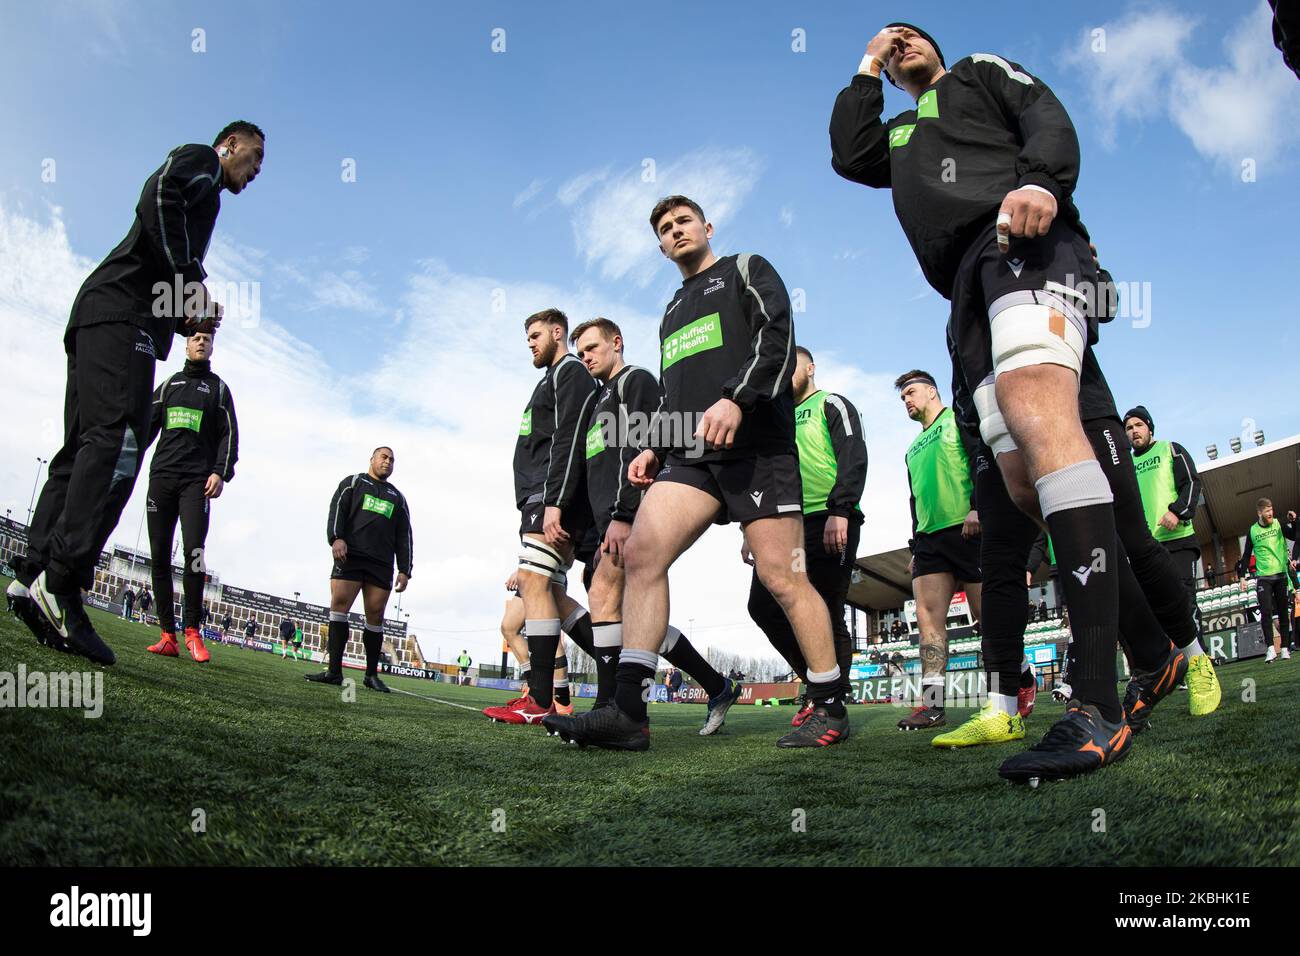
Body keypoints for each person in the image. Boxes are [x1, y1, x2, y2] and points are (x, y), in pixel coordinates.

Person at [830, 25, 1181, 781]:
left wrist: (1043, 183)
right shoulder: (895, 135)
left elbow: (1047, 114)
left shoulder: (977, 74)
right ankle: (1154, 657)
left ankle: (1096, 706)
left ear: (936, 46)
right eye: (888, 55)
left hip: (1019, 238)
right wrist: (864, 65)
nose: (899, 53)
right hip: (963, 288)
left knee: (1037, 405)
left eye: (908, 40)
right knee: (1023, 482)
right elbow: (847, 152)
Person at [545, 196, 847, 750]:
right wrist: (655, 449)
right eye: (665, 228)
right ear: (661, 247)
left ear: (706, 228)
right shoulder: (670, 310)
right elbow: (675, 392)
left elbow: (776, 338)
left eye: (684, 221)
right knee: (641, 554)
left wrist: (738, 399)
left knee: (783, 578)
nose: (676, 230)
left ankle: (829, 705)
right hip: (691, 458)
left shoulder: (745, 269)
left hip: (757, 446)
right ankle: (629, 712)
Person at [7, 121, 264, 665]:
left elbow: (161, 260)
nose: (256, 169)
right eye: (255, 156)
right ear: (230, 146)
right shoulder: (200, 164)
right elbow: (160, 194)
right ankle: (63, 582)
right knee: (118, 445)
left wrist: (191, 314)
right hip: (121, 319)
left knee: (80, 447)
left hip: (105, 312)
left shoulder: (206, 203)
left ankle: (29, 575)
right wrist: (192, 281)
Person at [564, 316, 742, 734]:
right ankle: (717, 686)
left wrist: (626, 513)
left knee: (605, 596)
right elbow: (599, 469)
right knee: (637, 624)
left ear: (617, 343)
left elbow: (648, 454)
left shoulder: (637, 382)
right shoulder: (599, 400)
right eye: (581, 352)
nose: (585, 356)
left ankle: (612, 709)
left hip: (630, 516)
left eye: (592, 347)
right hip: (605, 523)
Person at [483, 309, 600, 726]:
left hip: (550, 498)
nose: (530, 343)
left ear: (557, 332)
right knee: (551, 596)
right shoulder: (547, 380)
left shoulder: (569, 371)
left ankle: (540, 700)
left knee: (533, 582)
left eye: (535, 335)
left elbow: (570, 438)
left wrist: (556, 499)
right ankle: (612, 668)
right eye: (526, 337)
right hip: (538, 497)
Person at [744, 346, 867, 728]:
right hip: (782, 526)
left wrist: (840, 510)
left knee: (828, 608)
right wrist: (750, 526)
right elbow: (760, 472)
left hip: (827, 520)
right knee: (763, 606)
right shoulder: (776, 417)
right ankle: (818, 685)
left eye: (791, 365)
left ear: (810, 368)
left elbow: (853, 456)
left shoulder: (832, 403)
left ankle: (831, 706)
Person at [142, 329, 239, 664]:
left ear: (212, 347)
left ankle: (193, 631)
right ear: (186, 344)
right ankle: (167, 635)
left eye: (207, 339)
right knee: (158, 557)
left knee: (194, 553)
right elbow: (145, 425)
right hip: (162, 479)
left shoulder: (218, 389)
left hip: (196, 483)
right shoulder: (169, 385)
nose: (201, 342)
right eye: (196, 337)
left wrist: (219, 472)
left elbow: (230, 435)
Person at [892, 370, 981, 731]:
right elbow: (915, 499)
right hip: (929, 542)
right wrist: (916, 542)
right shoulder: (911, 449)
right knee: (929, 625)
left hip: (968, 528)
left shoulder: (958, 420)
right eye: (902, 398)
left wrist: (978, 507)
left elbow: (980, 463)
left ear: (931, 391)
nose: (907, 401)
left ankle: (1016, 681)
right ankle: (933, 706)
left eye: (911, 393)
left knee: (986, 620)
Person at [306, 447, 413, 693]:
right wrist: (336, 538)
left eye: (392, 460)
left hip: (381, 563)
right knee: (339, 607)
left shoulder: (397, 497)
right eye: (384, 457)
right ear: (372, 460)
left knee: (375, 616)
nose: (388, 462)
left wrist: (404, 569)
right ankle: (334, 671)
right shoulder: (353, 483)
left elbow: (404, 535)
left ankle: (371, 675)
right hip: (351, 556)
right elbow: (337, 511)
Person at [1124, 406, 1202, 594]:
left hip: (1178, 541)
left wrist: (1176, 512)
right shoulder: (1126, 465)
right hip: (1147, 548)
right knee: (1156, 608)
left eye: (1139, 425)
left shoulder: (1170, 449)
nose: (1134, 430)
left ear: (1149, 428)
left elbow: (1192, 483)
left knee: (1184, 601)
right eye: (1128, 428)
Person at [1237, 499, 1297, 662]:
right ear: (1259, 513)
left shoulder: (1278, 524)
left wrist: (1294, 522)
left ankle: (1285, 648)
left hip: (1281, 576)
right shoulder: (1253, 531)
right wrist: (1242, 576)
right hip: (1264, 578)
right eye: (1267, 511)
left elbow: (1294, 536)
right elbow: (1247, 554)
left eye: (1271, 510)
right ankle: (1270, 649)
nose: (1270, 513)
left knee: (1284, 613)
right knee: (1265, 612)